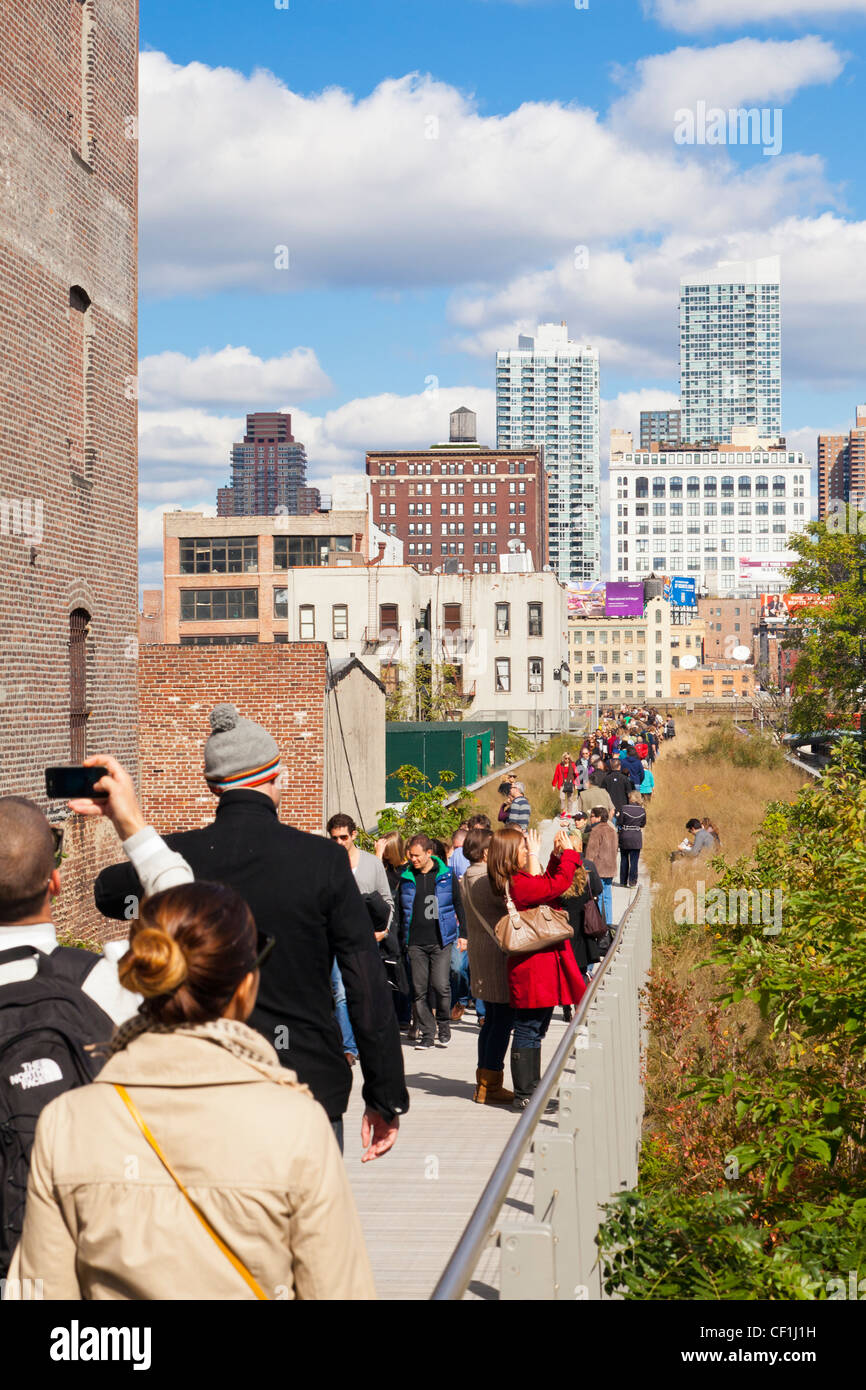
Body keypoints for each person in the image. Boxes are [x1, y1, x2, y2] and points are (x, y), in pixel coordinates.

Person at [7, 882, 376, 1300]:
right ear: (246, 987)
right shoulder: (296, 1122)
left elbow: (43, 1289)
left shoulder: (69, 1121)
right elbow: (338, 1289)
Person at [94, 704, 408, 1160]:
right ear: (277, 777)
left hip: (205, 1088)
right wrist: (384, 1094)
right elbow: (365, 982)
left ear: (211, 786)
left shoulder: (180, 856)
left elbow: (107, 892)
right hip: (305, 1087)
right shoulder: (324, 863)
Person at [0, 757, 194, 1278]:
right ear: (56, 882)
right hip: (88, 1262)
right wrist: (128, 820)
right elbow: (186, 919)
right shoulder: (105, 983)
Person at [487, 827, 586, 1110]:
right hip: (531, 969)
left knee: (536, 1027)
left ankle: (532, 1087)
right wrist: (569, 855)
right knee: (528, 1027)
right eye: (522, 849)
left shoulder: (521, 881)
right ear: (508, 855)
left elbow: (546, 883)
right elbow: (554, 887)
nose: (527, 853)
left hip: (537, 967)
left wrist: (556, 857)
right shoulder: (517, 884)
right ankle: (525, 1092)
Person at [326, 814, 395, 1069]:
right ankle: (348, 1047)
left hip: (366, 939)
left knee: (365, 993)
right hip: (335, 939)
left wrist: (384, 930)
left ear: (354, 835)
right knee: (341, 993)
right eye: (334, 838)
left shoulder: (371, 864)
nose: (340, 842)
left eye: (344, 837)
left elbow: (387, 901)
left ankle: (366, 1042)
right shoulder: (326, 863)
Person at [459, 827, 513, 1106]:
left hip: (480, 952)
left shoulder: (467, 876)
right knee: (502, 1020)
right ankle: (491, 1084)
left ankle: (484, 1081)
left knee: (491, 1020)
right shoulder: (486, 879)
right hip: (495, 953)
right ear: (484, 853)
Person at [399, 833, 464, 1051]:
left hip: (441, 941)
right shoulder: (407, 877)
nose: (413, 860)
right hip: (415, 943)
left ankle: (443, 1024)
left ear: (429, 853)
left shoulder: (446, 875)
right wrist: (401, 939)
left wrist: (463, 933)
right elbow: (400, 910)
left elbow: (458, 904)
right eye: (410, 856)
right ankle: (428, 1033)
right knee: (419, 990)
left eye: (417, 856)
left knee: (440, 985)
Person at [374, 831, 411, 1027]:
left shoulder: (403, 871)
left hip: (398, 927)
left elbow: (381, 885)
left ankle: (403, 1015)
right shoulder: (384, 868)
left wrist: (378, 858)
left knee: (398, 969)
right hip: (384, 926)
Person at [585, 806, 617, 926]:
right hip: (610, 867)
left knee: (597, 896)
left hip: (599, 869)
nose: (590, 819)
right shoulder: (612, 829)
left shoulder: (596, 830)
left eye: (592, 816)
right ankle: (608, 922)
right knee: (607, 896)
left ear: (598, 817)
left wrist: (586, 868)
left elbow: (591, 852)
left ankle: (598, 922)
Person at [618, 791, 647, 889]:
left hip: (625, 835)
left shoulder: (624, 808)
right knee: (634, 861)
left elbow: (620, 822)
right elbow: (643, 824)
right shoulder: (642, 810)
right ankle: (633, 882)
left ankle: (623, 881)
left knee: (624, 859)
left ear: (631, 798)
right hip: (636, 836)